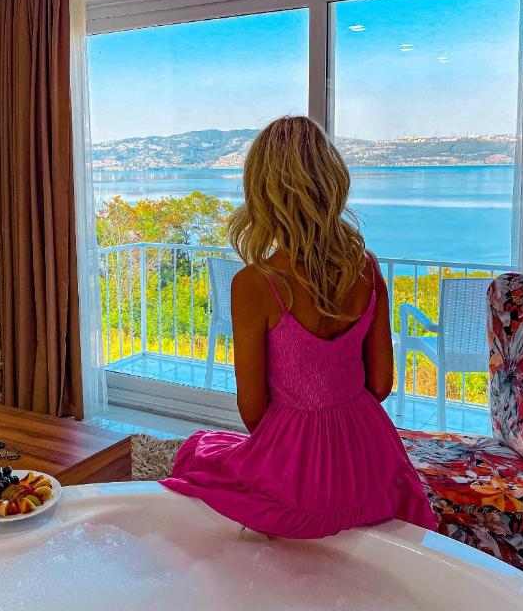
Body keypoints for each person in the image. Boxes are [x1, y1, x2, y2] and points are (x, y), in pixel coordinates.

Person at [161, 116, 437, 538]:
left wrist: (290, 449)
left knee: (199, 454)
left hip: (297, 458)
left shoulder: (255, 284)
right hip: (368, 449)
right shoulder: (366, 269)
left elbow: (252, 407)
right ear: (332, 183)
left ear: (261, 193)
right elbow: (381, 384)